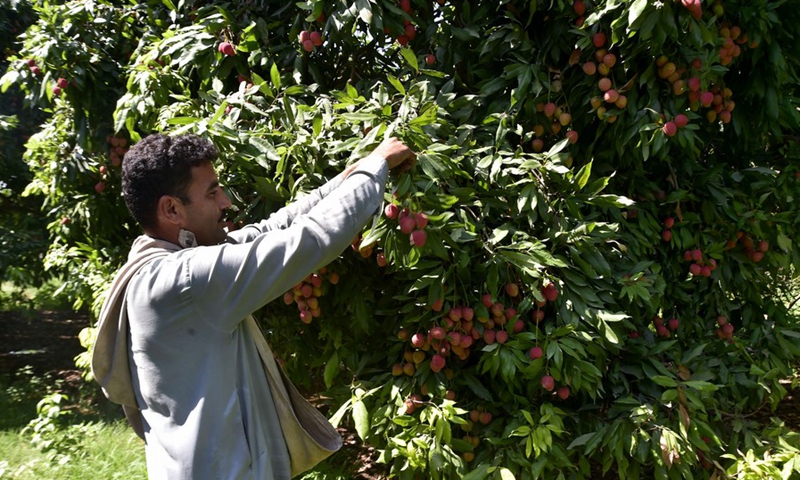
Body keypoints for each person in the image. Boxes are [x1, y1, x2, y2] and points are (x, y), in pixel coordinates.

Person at [90, 133, 416, 480]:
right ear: (172, 209)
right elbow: (307, 239)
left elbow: (272, 229)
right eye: (212, 192)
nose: (226, 202)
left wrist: (352, 175)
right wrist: (376, 166)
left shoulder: (160, 265)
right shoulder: (185, 281)